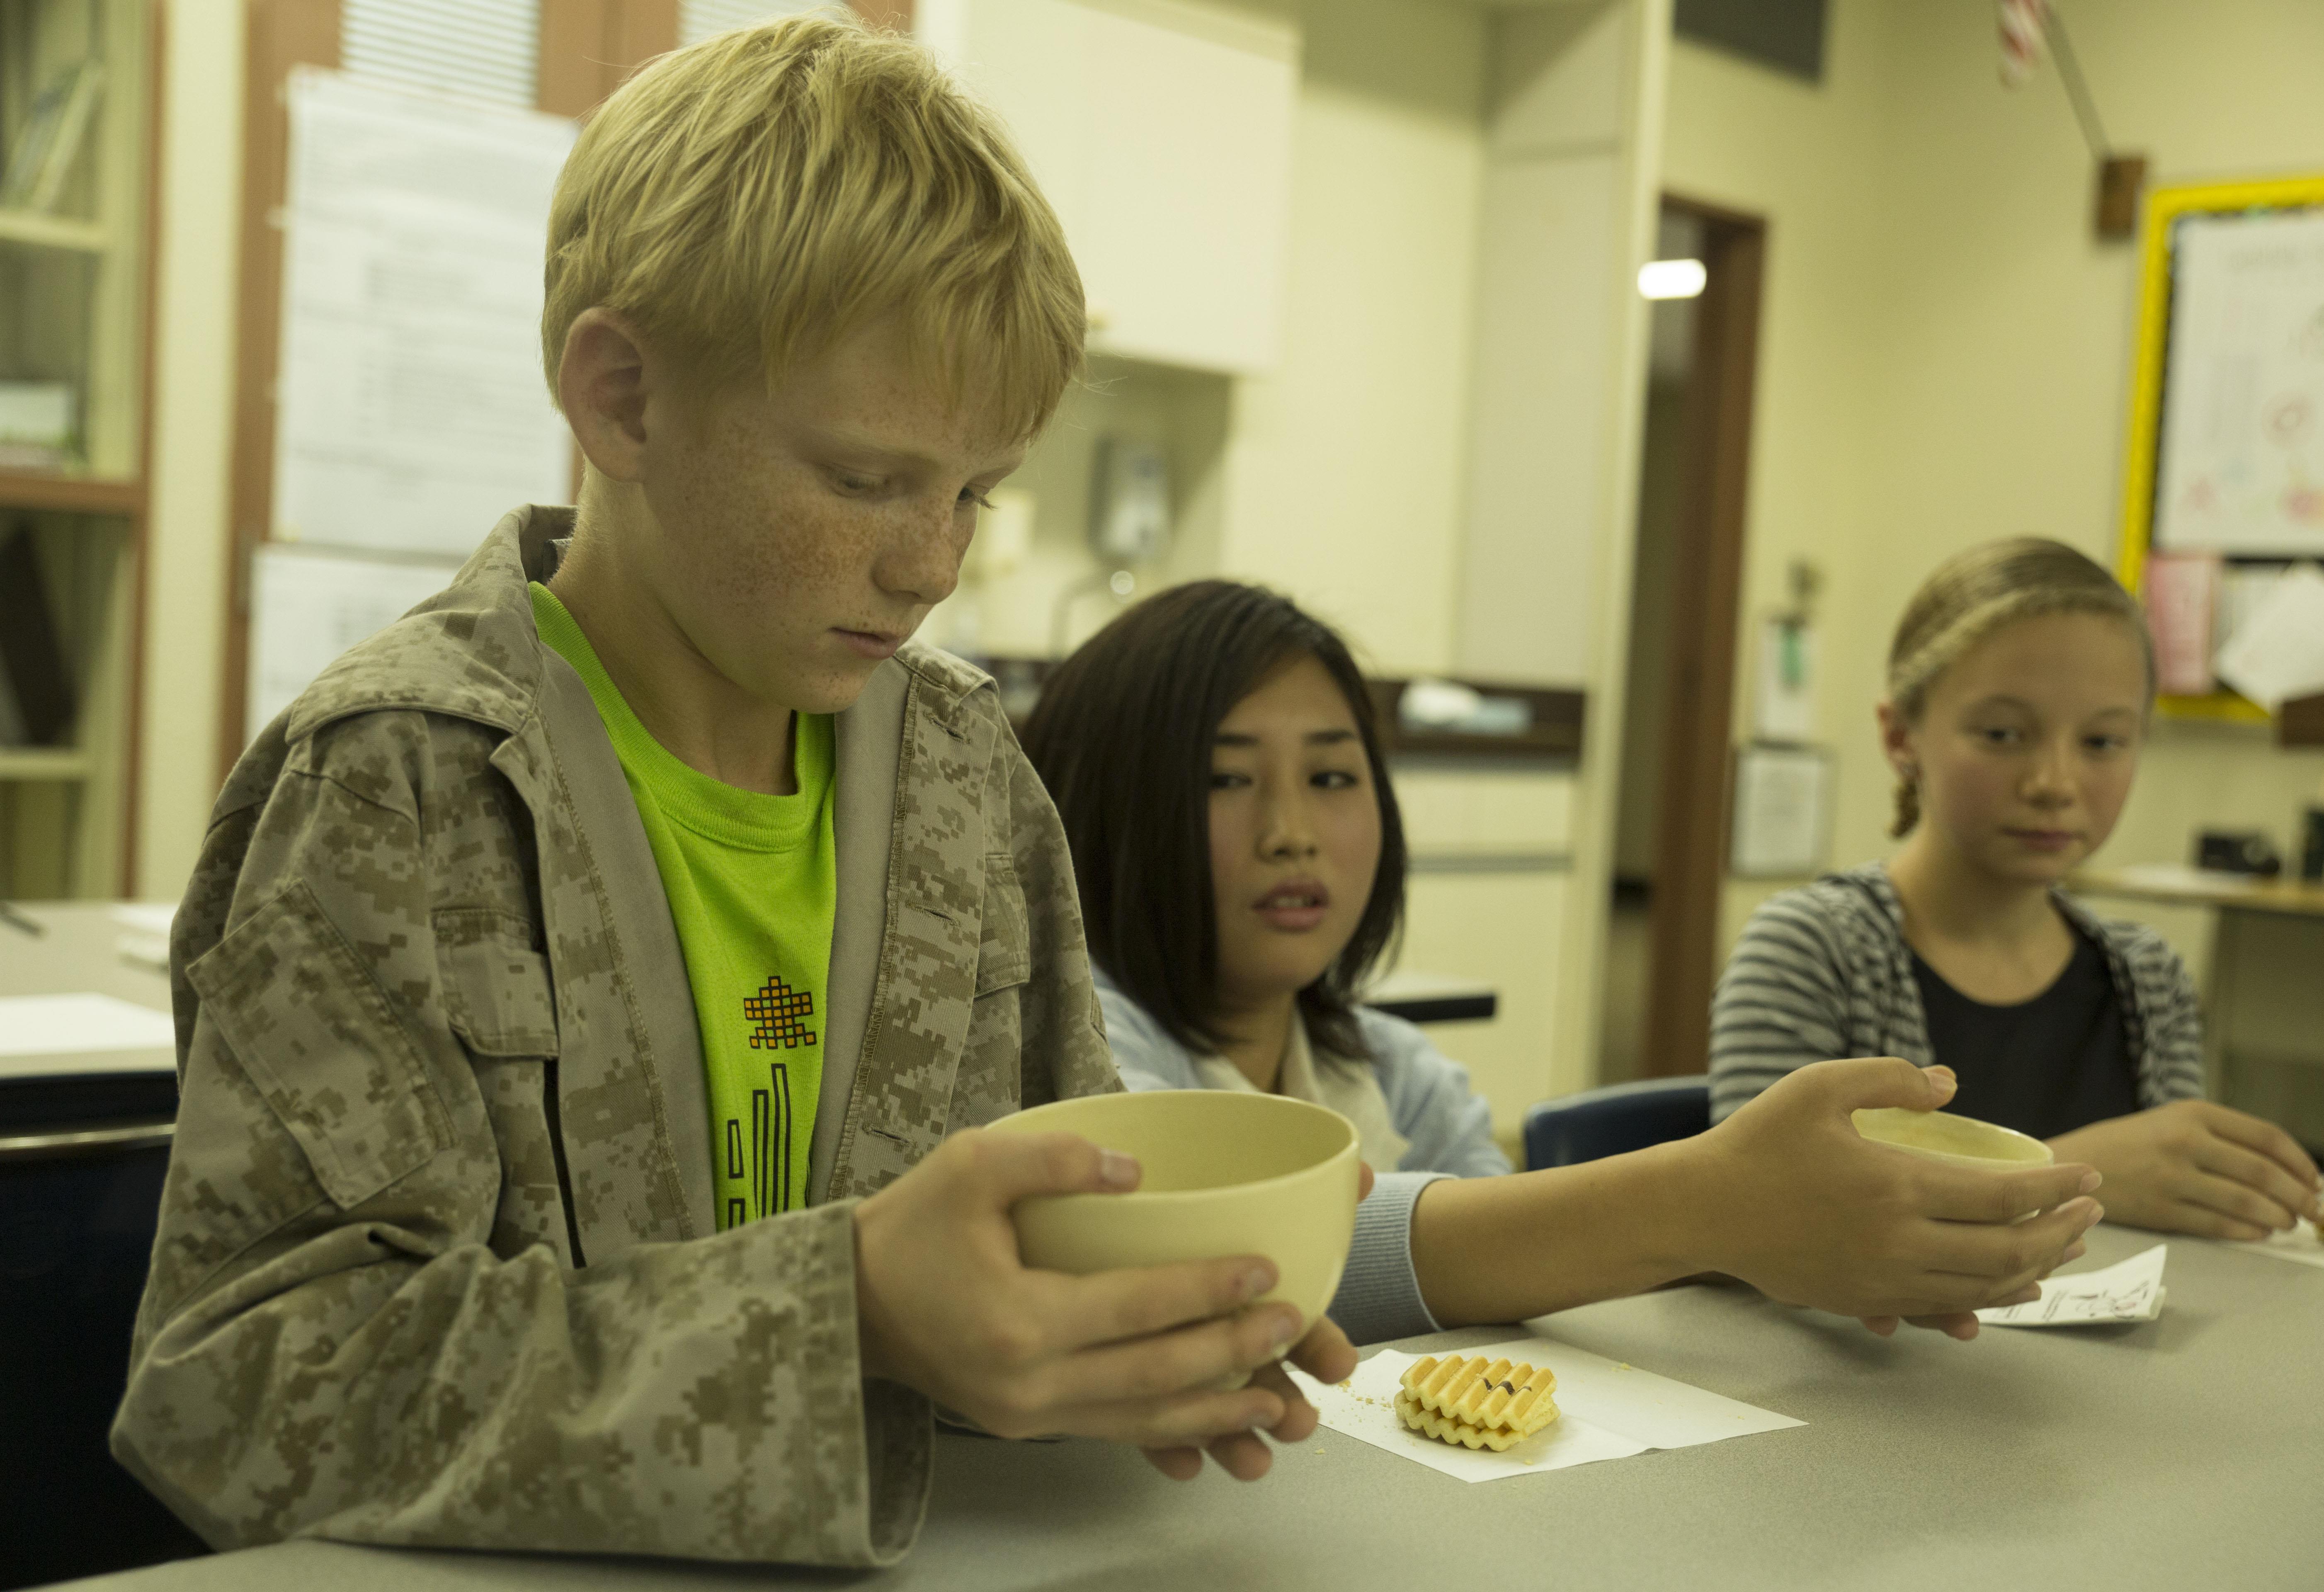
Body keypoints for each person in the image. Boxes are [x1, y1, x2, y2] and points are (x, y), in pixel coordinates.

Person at [112, 18, 1354, 1570]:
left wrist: (1125, 1333)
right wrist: (849, 1317)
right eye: (865, 480)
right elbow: (238, 1391)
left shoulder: (971, 788)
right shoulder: (396, 788)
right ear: (622, 400)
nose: (933, 565)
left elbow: (1026, 1248)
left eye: (976, 492)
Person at [1019, 580, 2107, 1348]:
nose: (1293, 832)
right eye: (1226, 781)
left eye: (1336, 779)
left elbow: (1508, 1270)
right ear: (1102, 808)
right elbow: (1234, 1262)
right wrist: (1711, 1206)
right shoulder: (1079, 1046)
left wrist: (1785, 1235)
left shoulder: (1398, 1073)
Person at [1710, 538, 2324, 1242]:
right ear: (1901, 735)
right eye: (2003, 734)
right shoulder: (1812, 948)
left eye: (2102, 742)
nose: (2055, 784)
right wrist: (2075, 1170)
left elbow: (2173, 1237)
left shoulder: (2148, 979)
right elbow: (1758, 1217)